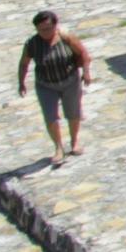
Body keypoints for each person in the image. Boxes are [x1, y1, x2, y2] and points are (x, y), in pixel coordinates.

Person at [16, 10, 91, 163]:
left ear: (55, 25)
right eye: (41, 29)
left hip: (70, 80)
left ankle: (74, 142)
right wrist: (21, 82)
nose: (45, 32)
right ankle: (58, 147)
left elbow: (83, 53)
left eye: (49, 28)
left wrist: (86, 72)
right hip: (46, 84)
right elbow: (24, 63)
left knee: (73, 112)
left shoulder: (66, 38)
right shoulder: (32, 44)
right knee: (50, 116)